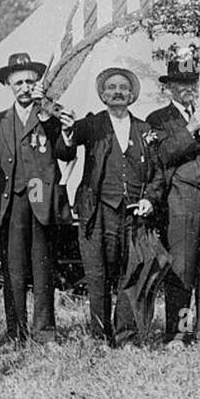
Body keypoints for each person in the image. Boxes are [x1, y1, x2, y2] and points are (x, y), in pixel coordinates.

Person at [55, 67, 163, 345]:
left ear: (131, 95)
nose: (117, 92)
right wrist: (67, 130)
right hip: (98, 212)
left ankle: (126, 336)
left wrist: (150, 199)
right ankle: (99, 336)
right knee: (97, 274)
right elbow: (65, 150)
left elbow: (157, 174)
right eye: (112, 87)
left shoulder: (145, 129)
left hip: (134, 214)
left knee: (132, 273)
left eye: (123, 88)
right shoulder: (92, 125)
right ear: (103, 94)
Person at [147, 55, 200, 348]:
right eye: (179, 83)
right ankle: (179, 332)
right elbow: (163, 154)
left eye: (190, 83)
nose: (186, 88)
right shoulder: (159, 119)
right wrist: (189, 128)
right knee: (181, 269)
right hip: (180, 202)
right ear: (169, 87)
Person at [0, 52, 64, 343]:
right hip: (11, 205)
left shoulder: (50, 115)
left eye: (30, 82)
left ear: (37, 85)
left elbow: (66, 152)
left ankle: (45, 331)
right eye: (18, 82)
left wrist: (47, 113)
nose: (24, 87)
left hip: (42, 202)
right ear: (9, 84)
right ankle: (16, 333)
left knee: (43, 268)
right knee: (14, 271)